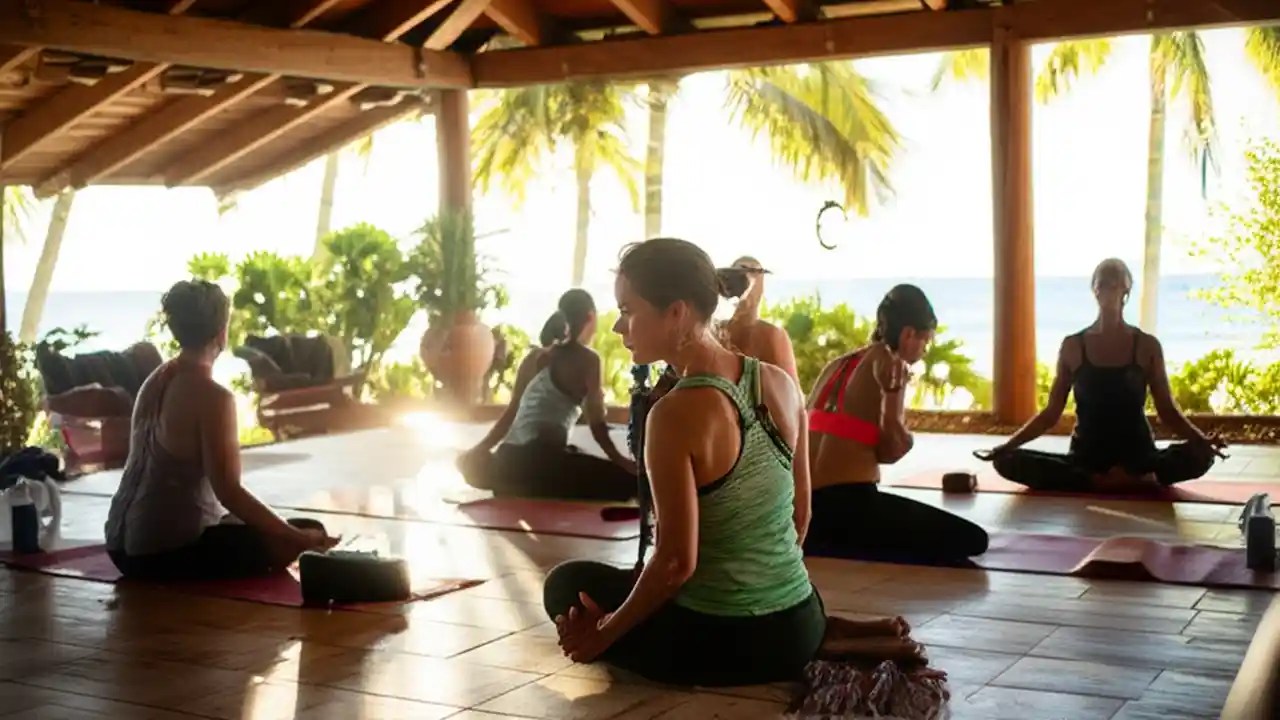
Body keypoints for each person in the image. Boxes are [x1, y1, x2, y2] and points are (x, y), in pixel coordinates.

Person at [543, 238, 921, 688]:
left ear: (676, 313)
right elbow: (801, 518)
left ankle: (820, 643)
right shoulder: (780, 383)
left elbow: (675, 565)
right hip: (801, 611)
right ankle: (827, 634)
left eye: (628, 311)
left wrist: (602, 635)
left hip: (735, 642)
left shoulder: (674, 413)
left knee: (567, 587)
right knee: (629, 587)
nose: (619, 328)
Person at [105, 280, 337, 580]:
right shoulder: (214, 397)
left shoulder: (155, 380)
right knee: (305, 531)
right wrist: (297, 537)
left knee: (277, 528)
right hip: (162, 556)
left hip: (117, 546)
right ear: (221, 332)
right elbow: (229, 492)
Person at [976, 258, 1227, 492]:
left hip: (1138, 455)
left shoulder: (1147, 346)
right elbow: (1051, 413)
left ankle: (1112, 479)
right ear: (1094, 290)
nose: (1108, 289)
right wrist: (1006, 446)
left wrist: (1202, 440)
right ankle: (1117, 481)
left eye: (1115, 283)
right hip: (1087, 456)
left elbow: (1167, 411)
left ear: (1126, 291)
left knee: (1201, 456)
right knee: (1006, 461)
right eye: (1103, 283)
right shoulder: (1073, 346)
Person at [804, 284, 989, 562]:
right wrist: (896, 406)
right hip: (849, 507)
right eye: (926, 341)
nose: (925, 349)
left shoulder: (837, 365)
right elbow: (892, 450)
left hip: (805, 510)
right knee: (973, 540)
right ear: (908, 334)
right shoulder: (891, 365)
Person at [457, 289, 638, 501]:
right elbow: (597, 427)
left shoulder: (533, 357)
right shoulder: (588, 360)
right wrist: (621, 461)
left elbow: (510, 415)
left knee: (474, 467)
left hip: (509, 460)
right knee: (632, 483)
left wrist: (478, 451)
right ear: (590, 317)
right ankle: (532, 485)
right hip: (545, 464)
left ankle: (513, 483)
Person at [716, 256, 800, 383]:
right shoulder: (714, 332)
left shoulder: (772, 335)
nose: (747, 285)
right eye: (741, 276)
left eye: (755, 274)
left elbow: (793, 394)